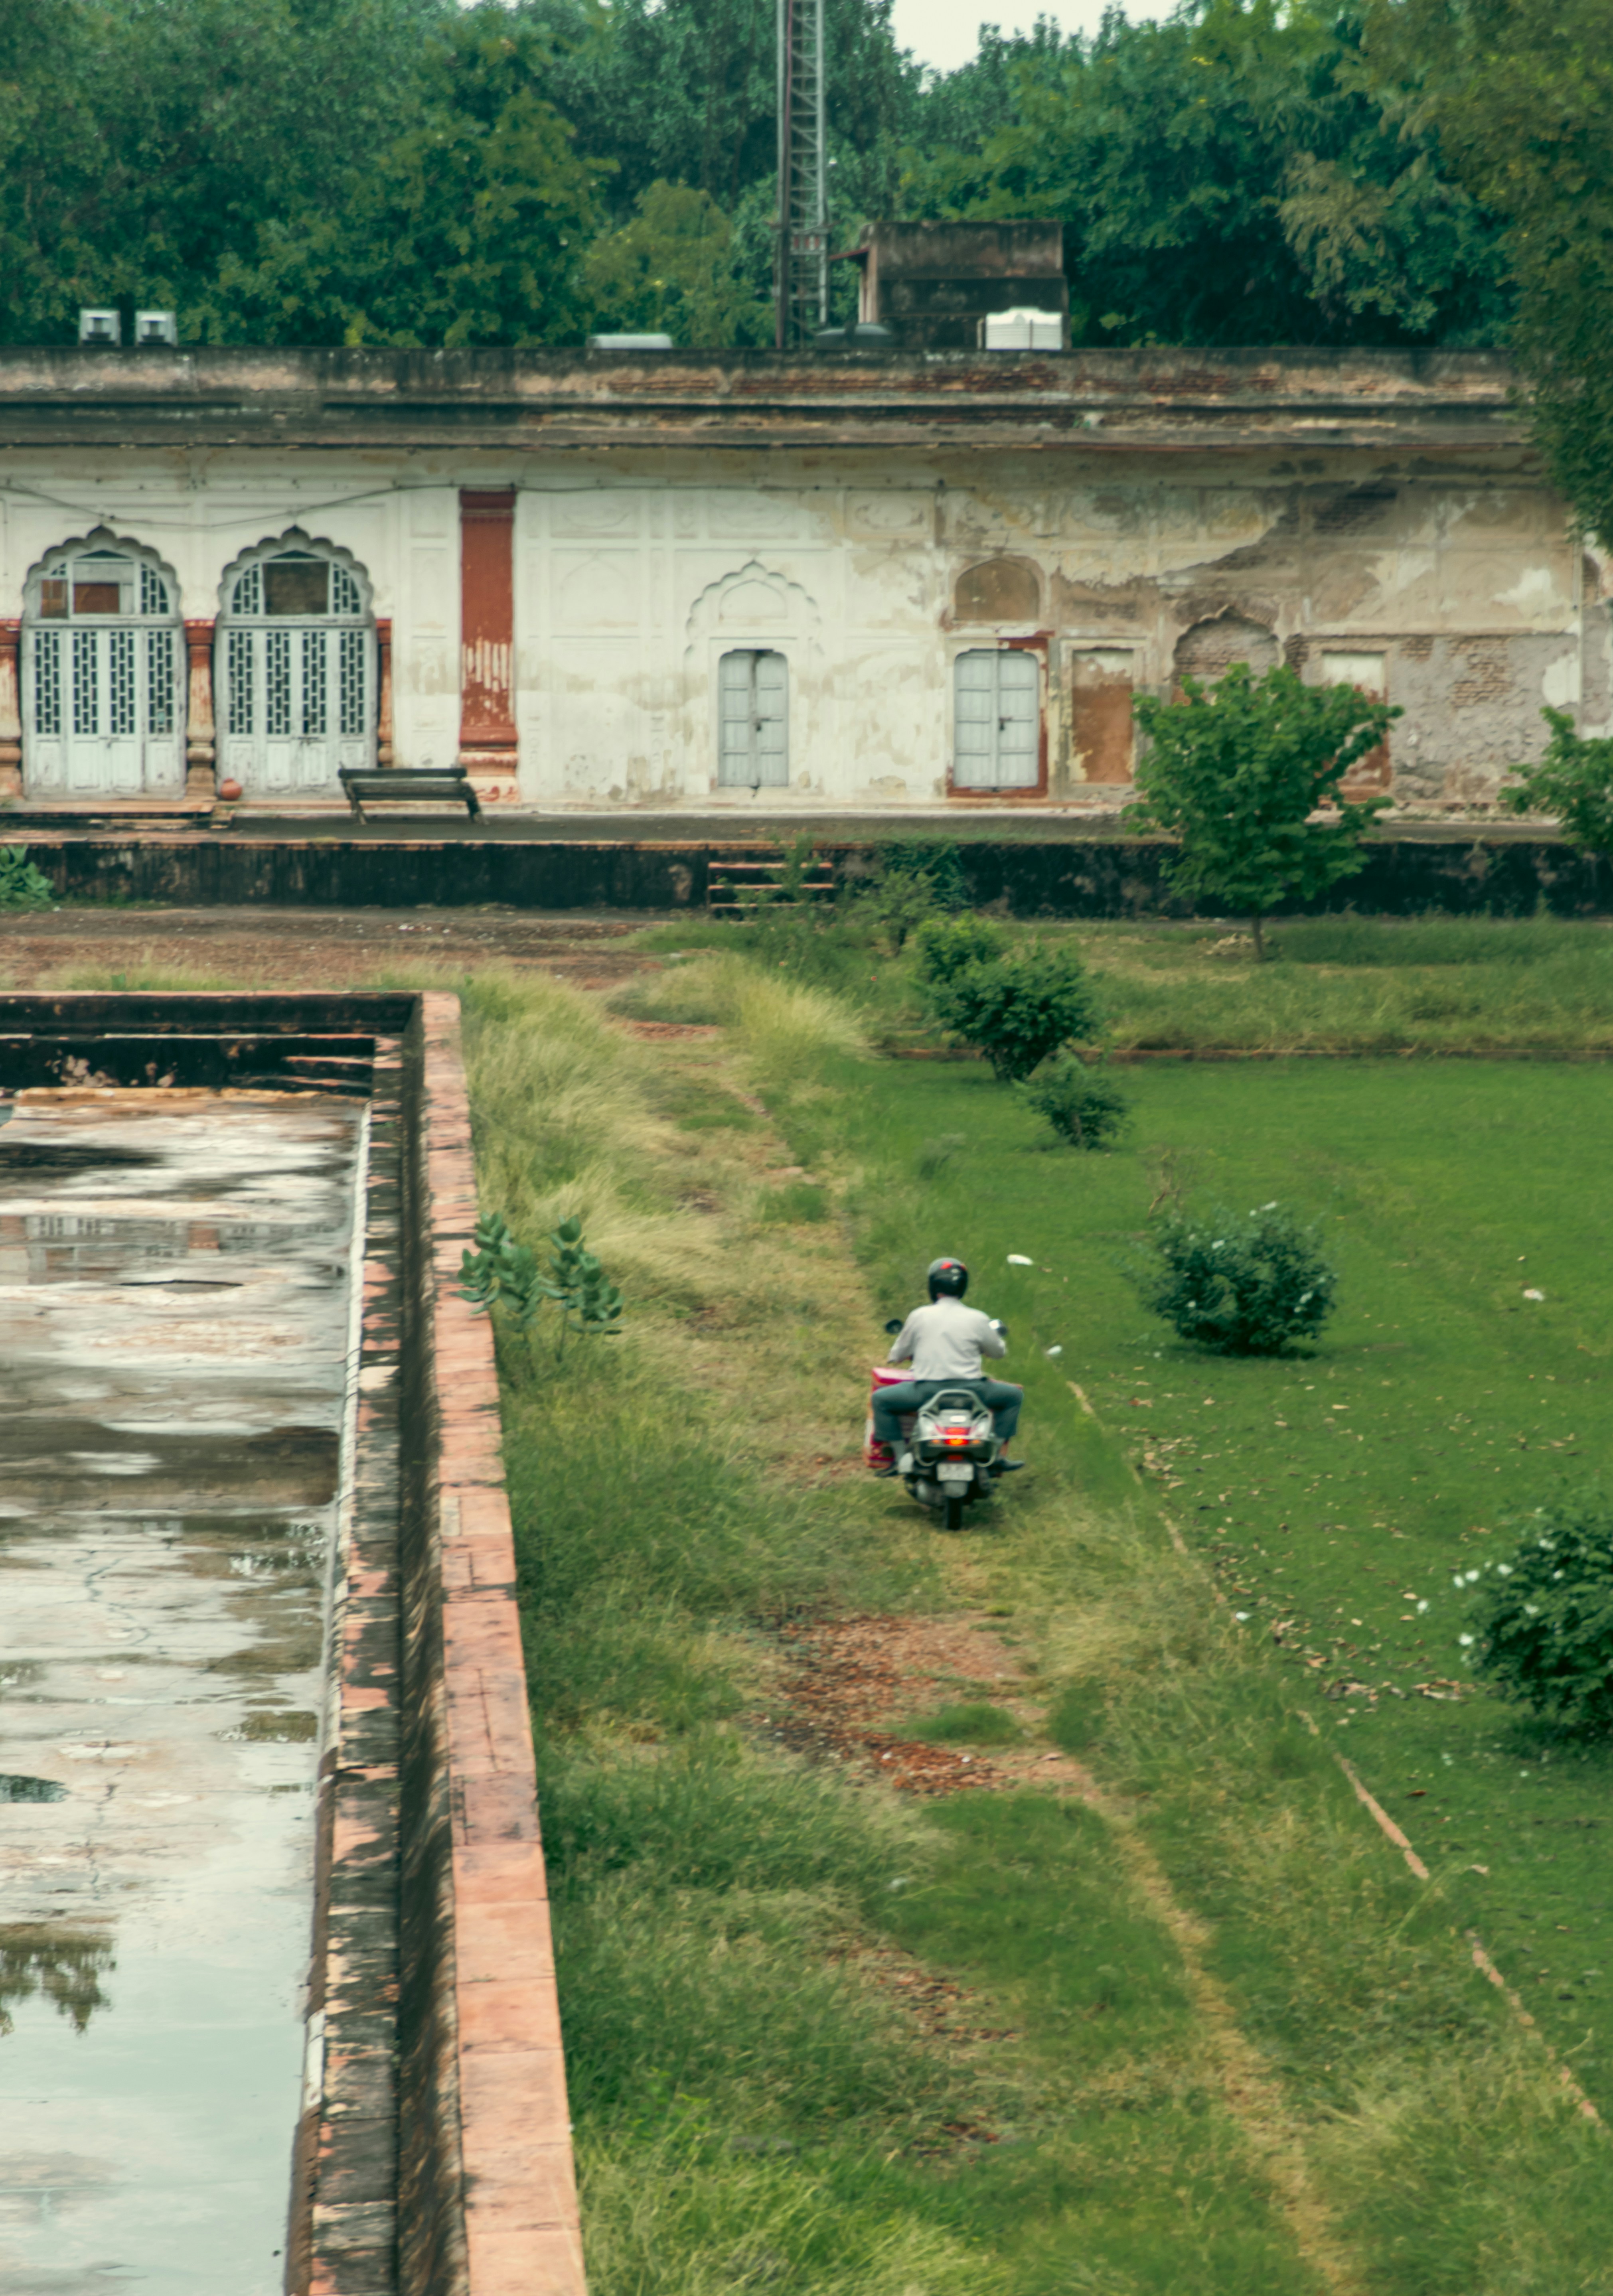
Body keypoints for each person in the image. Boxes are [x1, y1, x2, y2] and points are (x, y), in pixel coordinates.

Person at [873, 1257, 1024, 1476]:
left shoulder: (919, 1316)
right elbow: (998, 1353)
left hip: (926, 1392)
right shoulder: (978, 1318)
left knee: (881, 1400)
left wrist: (905, 1355)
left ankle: (899, 1458)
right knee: (1013, 1397)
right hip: (973, 1391)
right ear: (963, 1286)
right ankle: (997, 1457)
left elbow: (896, 1354)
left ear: (933, 1286)